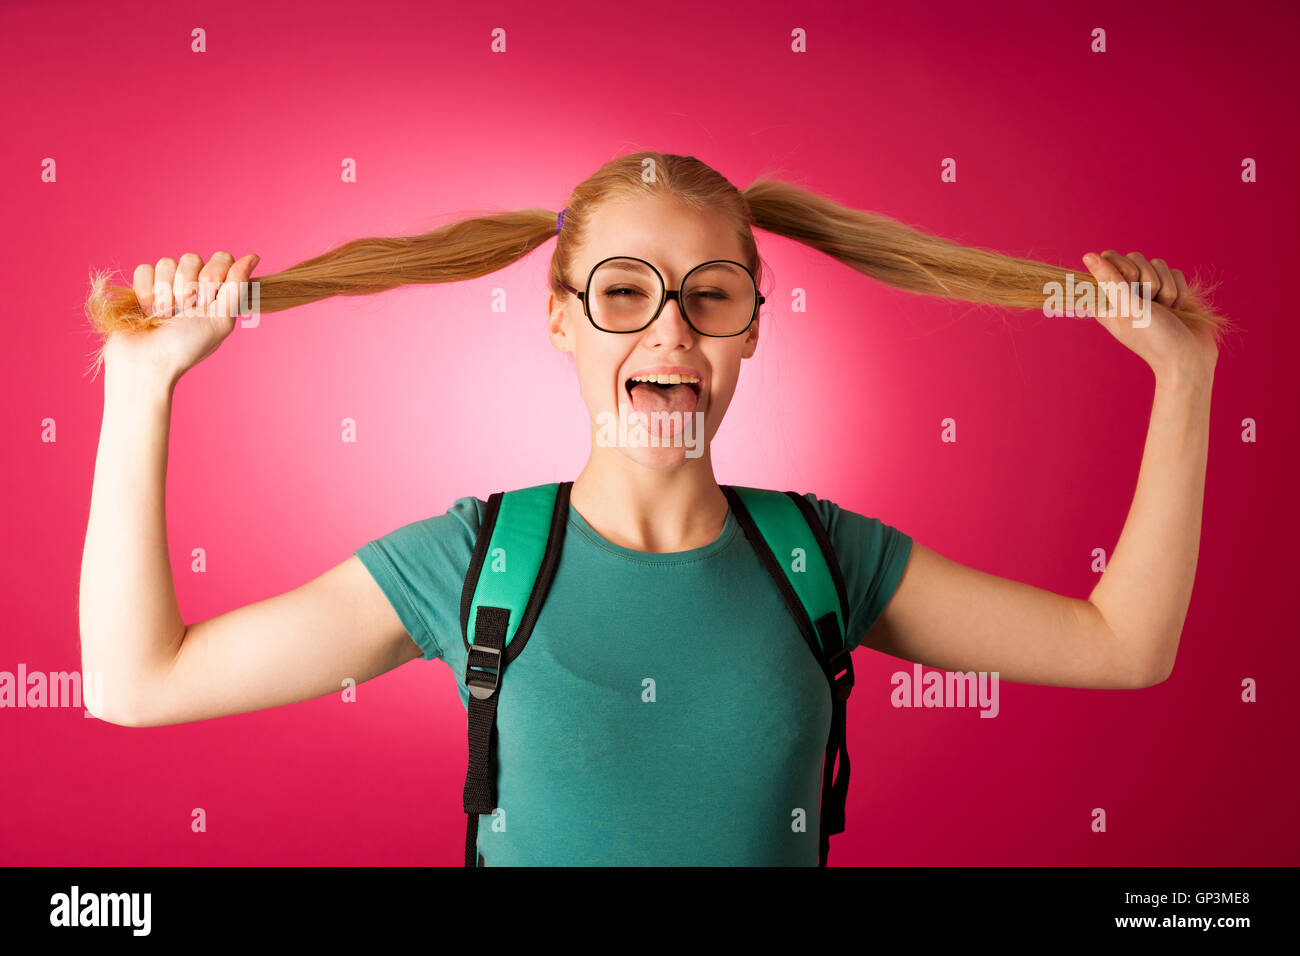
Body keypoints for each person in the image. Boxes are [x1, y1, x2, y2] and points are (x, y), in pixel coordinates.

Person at [79, 152, 1226, 866]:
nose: (668, 329)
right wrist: (142, 383)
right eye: (624, 291)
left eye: (708, 295)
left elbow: (1122, 647)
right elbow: (139, 683)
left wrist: (1185, 378)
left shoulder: (822, 557)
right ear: (561, 317)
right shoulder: (474, 562)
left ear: (753, 325)